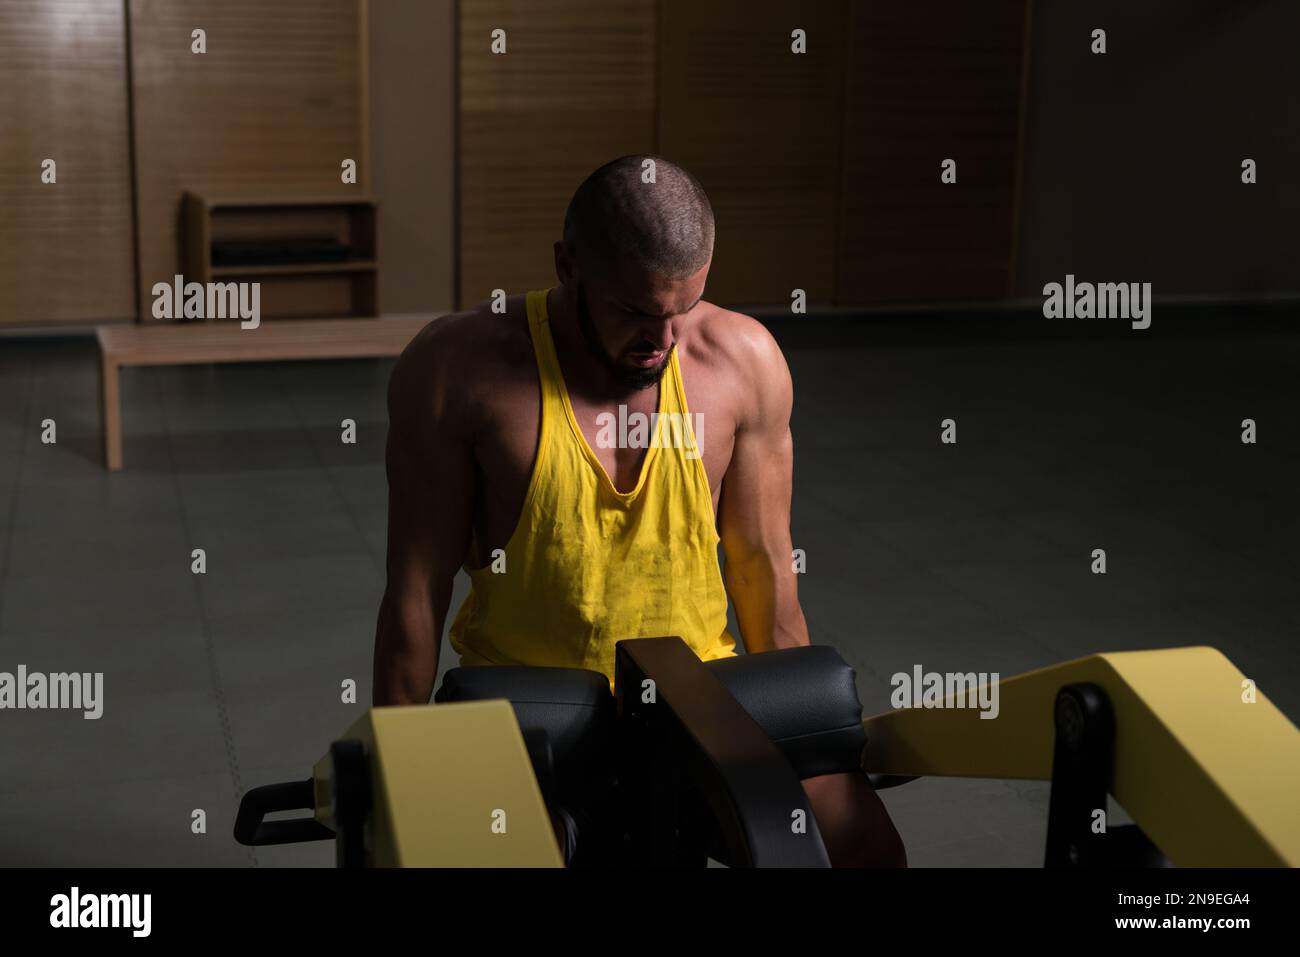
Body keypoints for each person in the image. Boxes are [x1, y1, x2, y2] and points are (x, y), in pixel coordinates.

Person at [373, 154, 906, 867]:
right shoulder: (455, 369)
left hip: (699, 708)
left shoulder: (742, 363)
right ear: (567, 266)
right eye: (634, 311)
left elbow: (762, 567)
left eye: (681, 310)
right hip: (532, 719)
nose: (662, 341)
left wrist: (809, 742)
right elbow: (416, 586)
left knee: (861, 845)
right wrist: (395, 768)